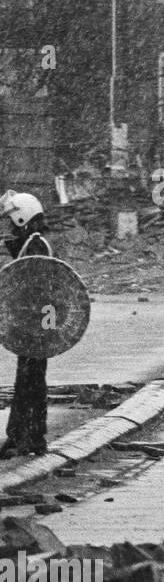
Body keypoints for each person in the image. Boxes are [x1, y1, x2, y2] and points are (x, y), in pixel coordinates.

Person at [0, 191, 52, 458]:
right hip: (33, 325)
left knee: (31, 382)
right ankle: (19, 436)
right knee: (26, 380)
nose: (10, 227)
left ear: (23, 217)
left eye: (12, 221)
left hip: (35, 326)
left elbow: (30, 283)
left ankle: (31, 439)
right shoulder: (33, 243)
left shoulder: (35, 244)